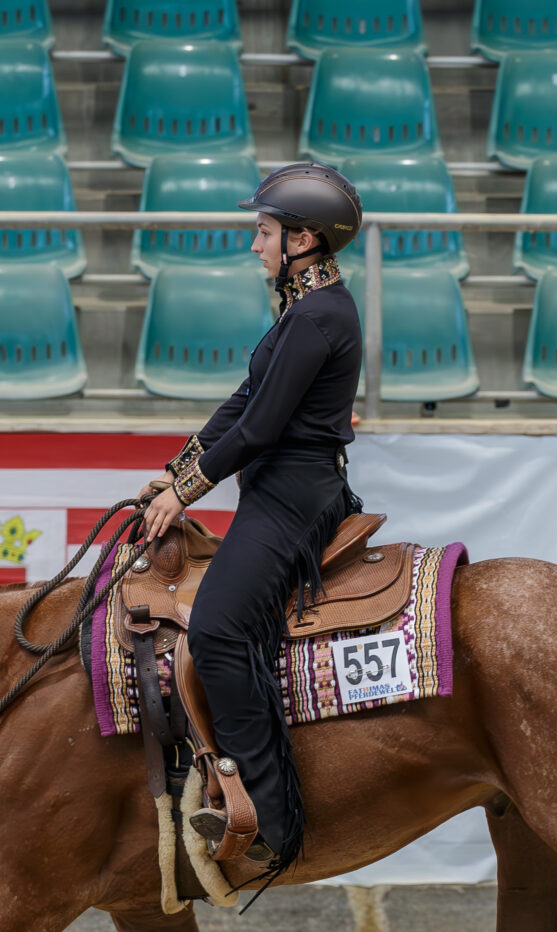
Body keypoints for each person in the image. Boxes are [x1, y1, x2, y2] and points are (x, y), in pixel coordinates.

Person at [136, 162, 366, 873]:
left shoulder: (319, 316)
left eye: (264, 232)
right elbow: (243, 400)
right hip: (279, 488)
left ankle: (267, 816)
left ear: (303, 239)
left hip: (295, 496)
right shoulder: (303, 311)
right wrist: (175, 474)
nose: (256, 245)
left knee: (218, 626)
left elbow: (262, 426)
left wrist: (190, 489)